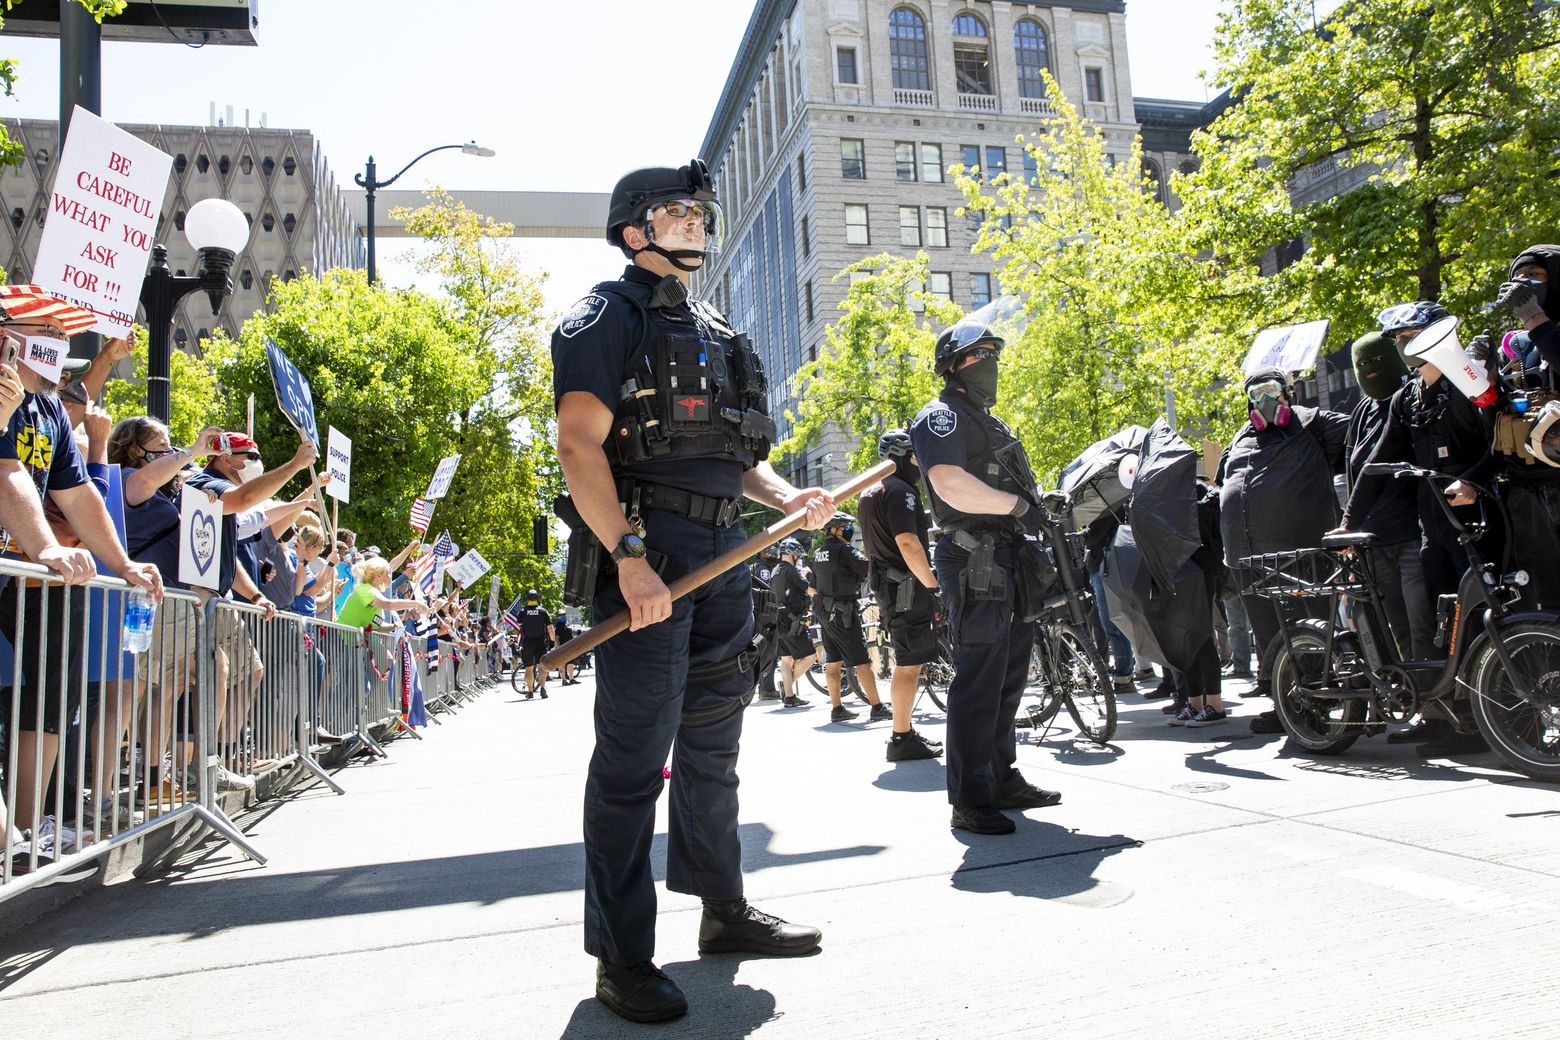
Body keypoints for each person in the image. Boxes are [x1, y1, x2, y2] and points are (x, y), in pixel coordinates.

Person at [553, 158, 829, 1023]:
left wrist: (788, 497)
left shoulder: (713, 327)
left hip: (724, 550)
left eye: (699, 211)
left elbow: (737, 459)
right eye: (675, 210)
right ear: (634, 229)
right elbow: (578, 443)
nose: (695, 222)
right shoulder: (606, 314)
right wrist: (627, 555)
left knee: (714, 748)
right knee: (634, 763)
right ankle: (621, 957)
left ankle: (723, 912)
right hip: (651, 551)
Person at [0, 297, 164, 839]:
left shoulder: (47, 406)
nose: (58, 336)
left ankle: (24, 830)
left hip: (25, 569)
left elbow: (76, 494)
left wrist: (121, 563)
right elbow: (6, 472)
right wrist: (47, 547)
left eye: (62, 328)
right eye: (44, 327)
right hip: (25, 560)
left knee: (53, 689)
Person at [909, 315, 1061, 836]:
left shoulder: (987, 420)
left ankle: (1000, 777)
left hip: (1008, 558)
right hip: (975, 558)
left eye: (995, 353)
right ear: (951, 367)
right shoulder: (941, 417)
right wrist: (1017, 506)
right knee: (979, 681)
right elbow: (949, 484)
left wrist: (1037, 506)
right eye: (979, 355)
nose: (990, 363)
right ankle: (970, 799)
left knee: (1010, 675)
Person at [1334, 305, 1498, 755]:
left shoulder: (1469, 381)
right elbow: (1376, 463)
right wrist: (1348, 523)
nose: (1406, 344)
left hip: (1480, 523)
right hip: (1435, 529)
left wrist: (1474, 481)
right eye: (1399, 338)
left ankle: (1499, 712)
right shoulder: (1407, 399)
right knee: (1442, 626)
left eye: (1413, 334)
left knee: (1490, 617)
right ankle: (1449, 718)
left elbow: (1500, 444)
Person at [1216, 367, 1349, 734]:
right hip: (1249, 558)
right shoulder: (1241, 437)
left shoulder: (1314, 424)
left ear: (1288, 392)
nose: (1264, 399)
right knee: (1269, 635)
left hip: (1301, 553)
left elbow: (1364, 435)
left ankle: (1320, 701)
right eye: (1255, 393)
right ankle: (1286, 704)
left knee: (1310, 628)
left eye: (1271, 390)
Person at [1340, 331, 1431, 661]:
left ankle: (1439, 703)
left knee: (1423, 623)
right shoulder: (1362, 413)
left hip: (1412, 537)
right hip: (1374, 544)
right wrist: (1350, 532)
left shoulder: (1411, 400)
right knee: (1398, 629)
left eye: (1379, 360)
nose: (1371, 369)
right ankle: (1420, 699)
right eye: (1362, 364)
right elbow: (1355, 476)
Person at [859, 429, 944, 761]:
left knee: (908, 662)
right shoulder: (900, 491)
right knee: (909, 664)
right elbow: (908, 542)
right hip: (905, 589)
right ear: (905, 456)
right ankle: (900, 737)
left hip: (890, 587)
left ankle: (903, 731)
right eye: (916, 456)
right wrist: (932, 584)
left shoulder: (871, 491)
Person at [809, 512, 889, 724]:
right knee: (862, 660)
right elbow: (868, 568)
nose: (849, 530)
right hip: (843, 613)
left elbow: (811, 587)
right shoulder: (844, 551)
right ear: (834, 530)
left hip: (825, 613)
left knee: (833, 661)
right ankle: (877, 707)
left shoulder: (818, 553)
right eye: (845, 526)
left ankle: (837, 708)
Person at [771, 538, 816, 707]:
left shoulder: (775, 570)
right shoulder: (792, 571)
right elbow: (810, 590)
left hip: (777, 619)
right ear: (792, 553)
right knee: (811, 655)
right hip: (791, 621)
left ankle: (789, 697)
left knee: (787, 659)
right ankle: (787, 685)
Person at [751, 544, 783, 700]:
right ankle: (767, 689)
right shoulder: (763, 568)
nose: (771, 552)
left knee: (764, 648)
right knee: (768, 648)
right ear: (761, 552)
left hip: (759, 613)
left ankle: (764, 687)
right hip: (764, 613)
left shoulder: (758, 566)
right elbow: (767, 591)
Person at [515, 589, 553, 698]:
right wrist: (552, 641)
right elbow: (550, 628)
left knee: (529, 668)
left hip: (527, 642)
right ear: (537, 598)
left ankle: (530, 691)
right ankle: (542, 688)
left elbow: (519, 626)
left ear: (527, 599)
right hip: (541, 642)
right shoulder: (543, 611)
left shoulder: (522, 611)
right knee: (542, 667)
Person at [554, 612, 581, 685]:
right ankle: (563, 680)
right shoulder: (558, 625)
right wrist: (558, 647)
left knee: (571, 663)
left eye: (564, 615)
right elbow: (556, 637)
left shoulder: (568, 624)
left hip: (570, 646)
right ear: (558, 617)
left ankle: (571, 679)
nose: (563, 616)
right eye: (561, 615)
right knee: (562, 663)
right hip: (562, 647)